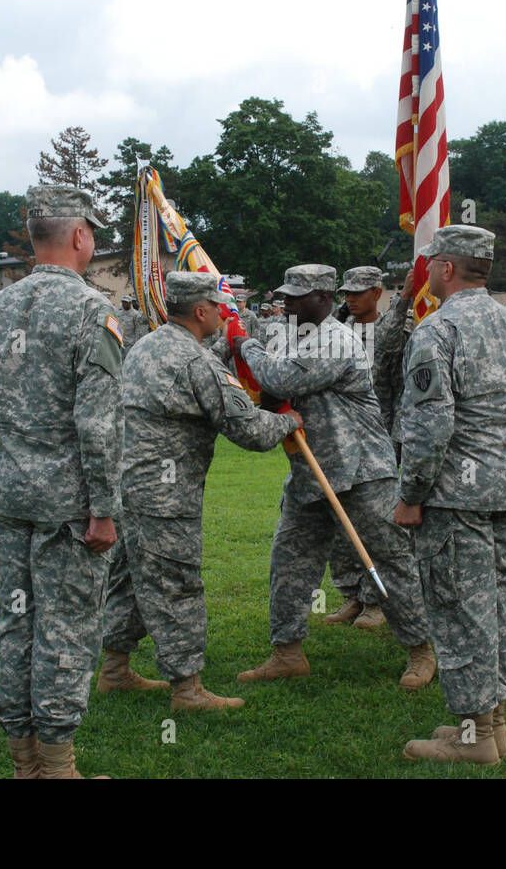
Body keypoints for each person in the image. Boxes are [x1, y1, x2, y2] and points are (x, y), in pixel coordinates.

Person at [0, 185, 124, 779]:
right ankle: (56, 768)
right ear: (80, 236)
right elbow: (97, 421)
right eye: (94, 233)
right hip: (69, 508)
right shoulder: (92, 312)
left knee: (16, 621)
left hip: (11, 501)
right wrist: (104, 508)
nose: (95, 242)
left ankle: (24, 764)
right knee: (66, 627)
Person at [99, 272, 301, 711]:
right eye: (219, 305)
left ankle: (114, 670)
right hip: (166, 498)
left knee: (130, 580)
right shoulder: (195, 362)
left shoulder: (146, 346)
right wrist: (290, 421)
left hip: (127, 489)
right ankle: (186, 689)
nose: (225, 312)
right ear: (202, 311)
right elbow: (248, 430)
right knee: (176, 583)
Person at [232, 264, 437, 694]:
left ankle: (421, 649)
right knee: (290, 560)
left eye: (297, 296)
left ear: (325, 298)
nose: (286, 302)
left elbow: (279, 378)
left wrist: (242, 342)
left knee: (390, 561)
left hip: (362, 472)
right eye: (285, 295)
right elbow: (270, 389)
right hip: (311, 474)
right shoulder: (292, 334)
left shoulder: (335, 339)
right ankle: (287, 651)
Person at [392, 226, 506, 766]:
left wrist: (412, 492)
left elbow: (430, 424)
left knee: (461, 610)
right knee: (496, 606)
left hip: (456, 498)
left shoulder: (438, 330)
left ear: (443, 269)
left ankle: (475, 737)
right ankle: (493, 723)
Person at [323, 265, 399, 629]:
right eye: (346, 293)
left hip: (377, 442)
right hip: (338, 440)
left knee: (376, 527)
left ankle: (376, 601)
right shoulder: (336, 332)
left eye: (358, 292)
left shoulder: (392, 330)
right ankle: (352, 594)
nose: (350, 298)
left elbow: (401, 388)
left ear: (377, 293)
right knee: (340, 525)